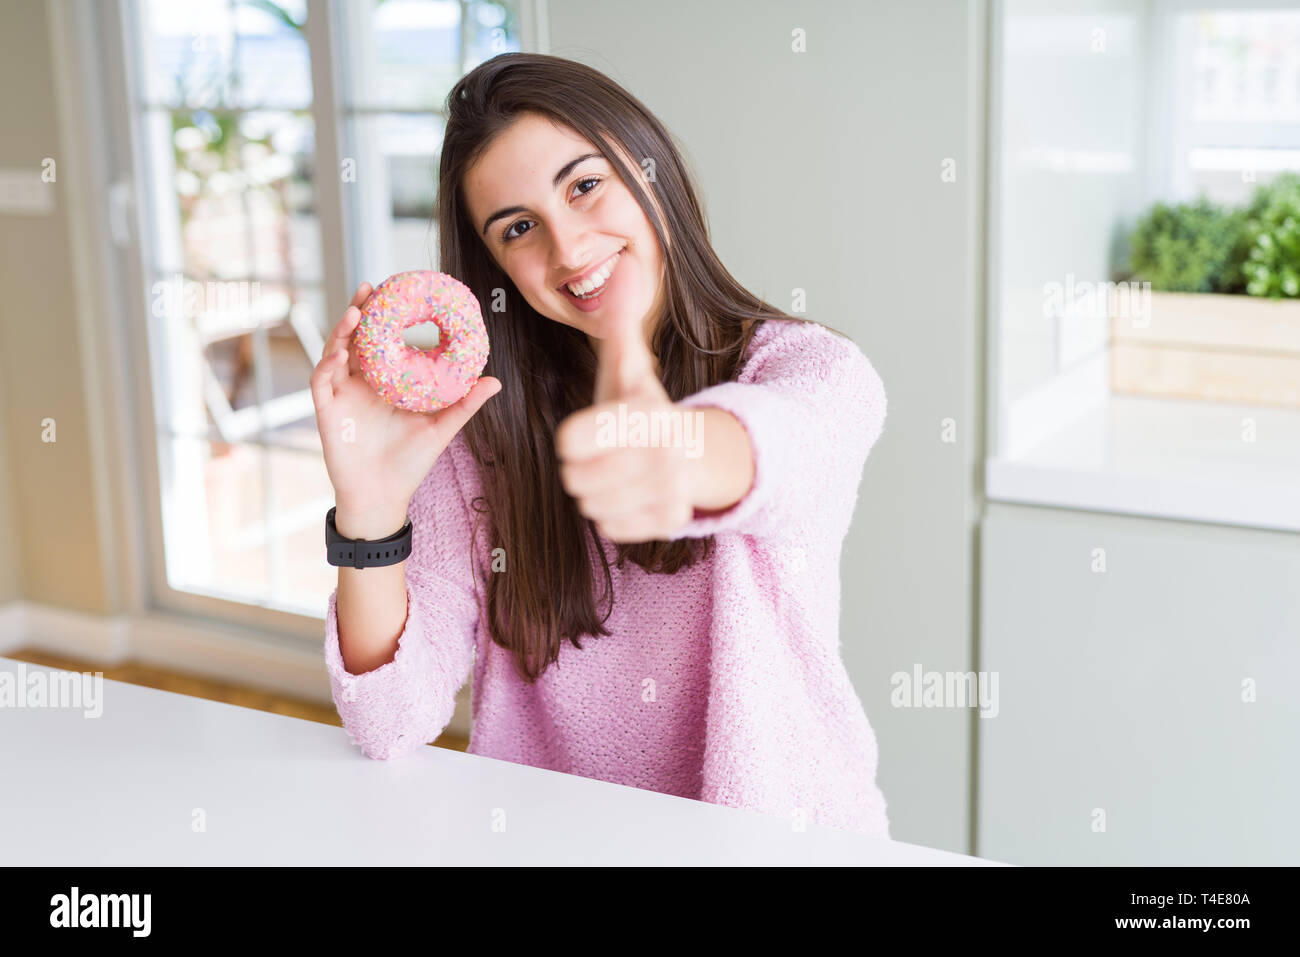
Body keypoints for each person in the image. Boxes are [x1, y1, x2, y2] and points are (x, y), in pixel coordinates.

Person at [310, 52, 890, 837]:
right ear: (498, 270)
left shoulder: (812, 370)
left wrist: (672, 452)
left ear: (650, 169)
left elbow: (774, 449)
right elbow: (389, 718)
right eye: (519, 228)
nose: (570, 246)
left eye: (584, 185)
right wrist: (371, 511)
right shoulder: (479, 431)